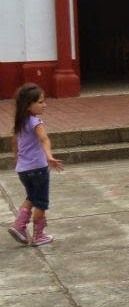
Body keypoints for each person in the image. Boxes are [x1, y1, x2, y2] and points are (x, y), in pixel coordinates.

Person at [8, 83, 64, 246]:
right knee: (41, 202)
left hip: (23, 170)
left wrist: (16, 159)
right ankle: (38, 235)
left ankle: (19, 225)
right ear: (28, 105)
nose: (44, 105)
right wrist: (49, 156)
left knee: (31, 197)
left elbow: (14, 142)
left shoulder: (20, 123)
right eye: (40, 102)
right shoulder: (35, 121)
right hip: (38, 169)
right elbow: (44, 139)